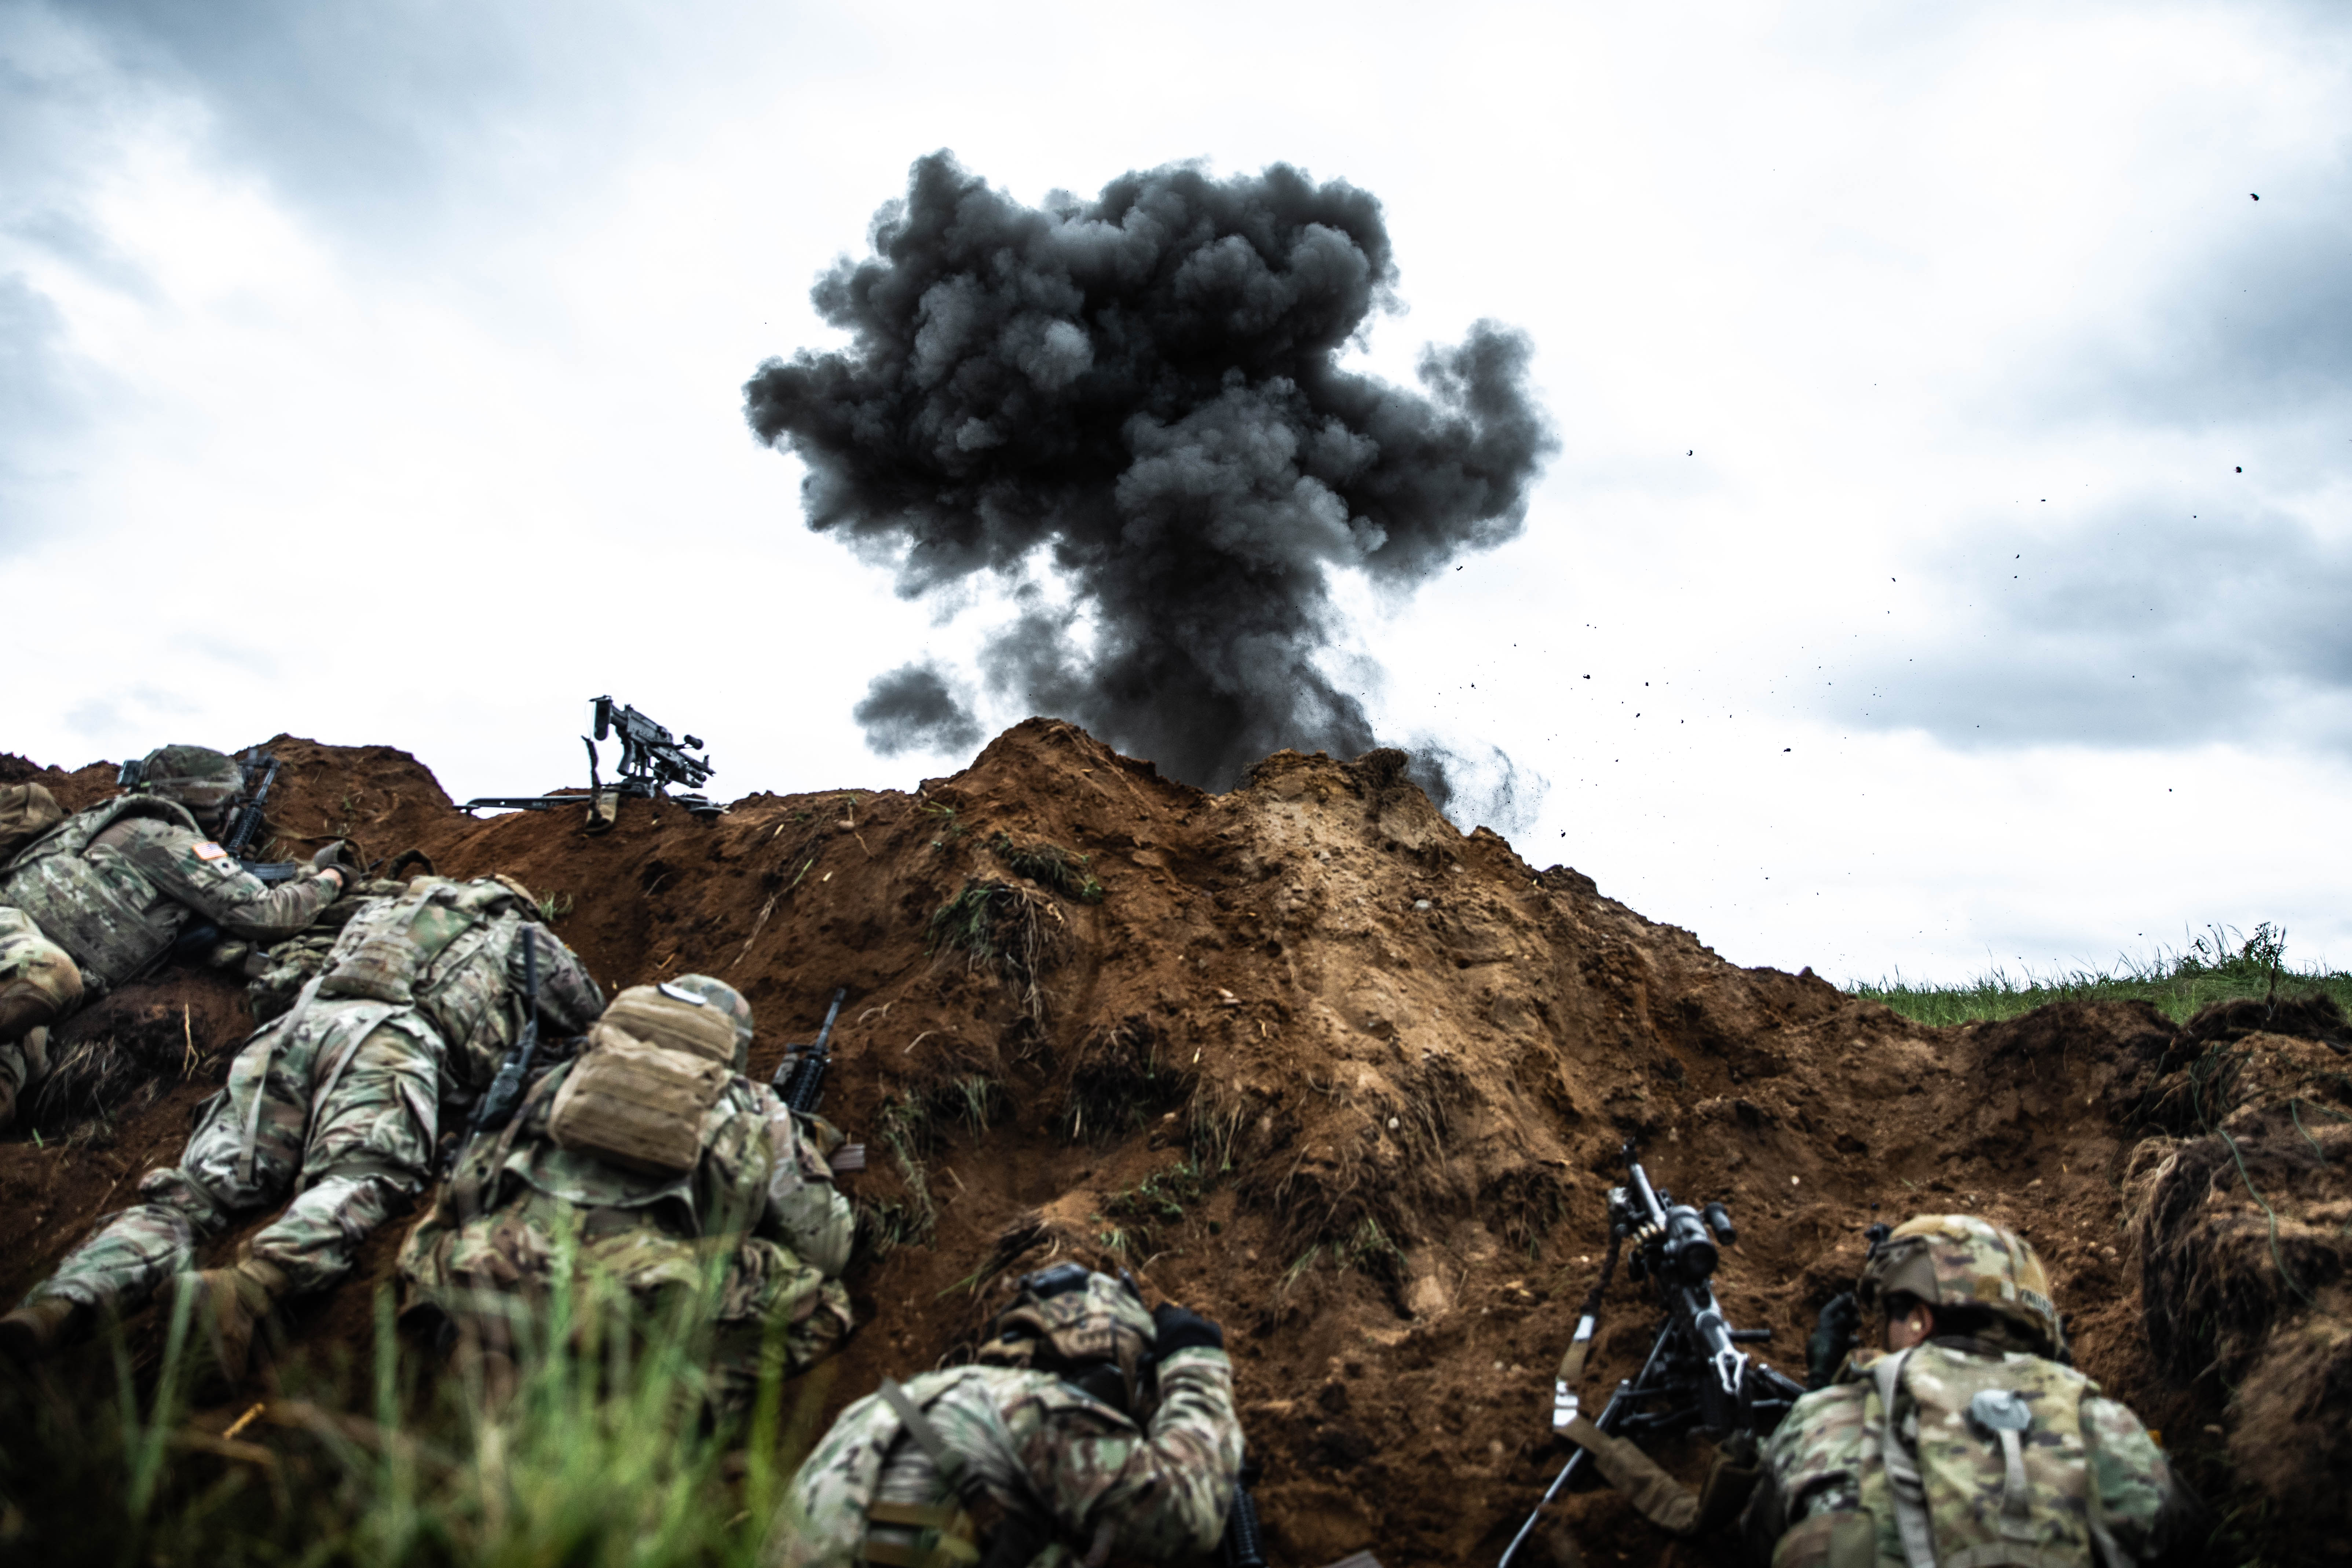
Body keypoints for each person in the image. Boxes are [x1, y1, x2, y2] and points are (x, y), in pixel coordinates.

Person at [0, 874, 602, 1381]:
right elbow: (587, 1010)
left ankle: (62, 1302)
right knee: (361, 1172)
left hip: (291, 1033)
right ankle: (256, 1285)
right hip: (390, 1043)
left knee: (190, 1198)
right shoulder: (521, 936)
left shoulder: (379, 915)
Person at [396, 973, 856, 1409]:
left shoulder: (560, 1078)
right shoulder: (752, 1107)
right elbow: (825, 1247)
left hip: (504, 1269)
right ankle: (668, 1403)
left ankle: (473, 1348)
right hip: (635, 1297)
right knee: (824, 1304)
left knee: (436, 1246)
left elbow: (466, 1189)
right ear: (731, 1047)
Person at [1741, 1214, 2205, 1567]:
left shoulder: (1826, 1420)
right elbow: (2186, 1538)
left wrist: (1817, 1395)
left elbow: (1752, 1539)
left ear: (1919, 1319)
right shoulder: (2103, 1423)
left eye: (1888, 1316)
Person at [770, 1265, 1242, 1568]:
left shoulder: (893, 1402)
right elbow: (1189, 1513)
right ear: (1107, 1365)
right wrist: (1195, 1364)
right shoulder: (1036, 1410)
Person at [0, 744, 358, 1127]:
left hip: (35, 1004)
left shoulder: (111, 823)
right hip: (18, 947)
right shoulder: (160, 838)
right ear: (207, 800)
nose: (229, 811)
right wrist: (331, 877)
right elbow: (268, 914)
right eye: (226, 801)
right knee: (49, 973)